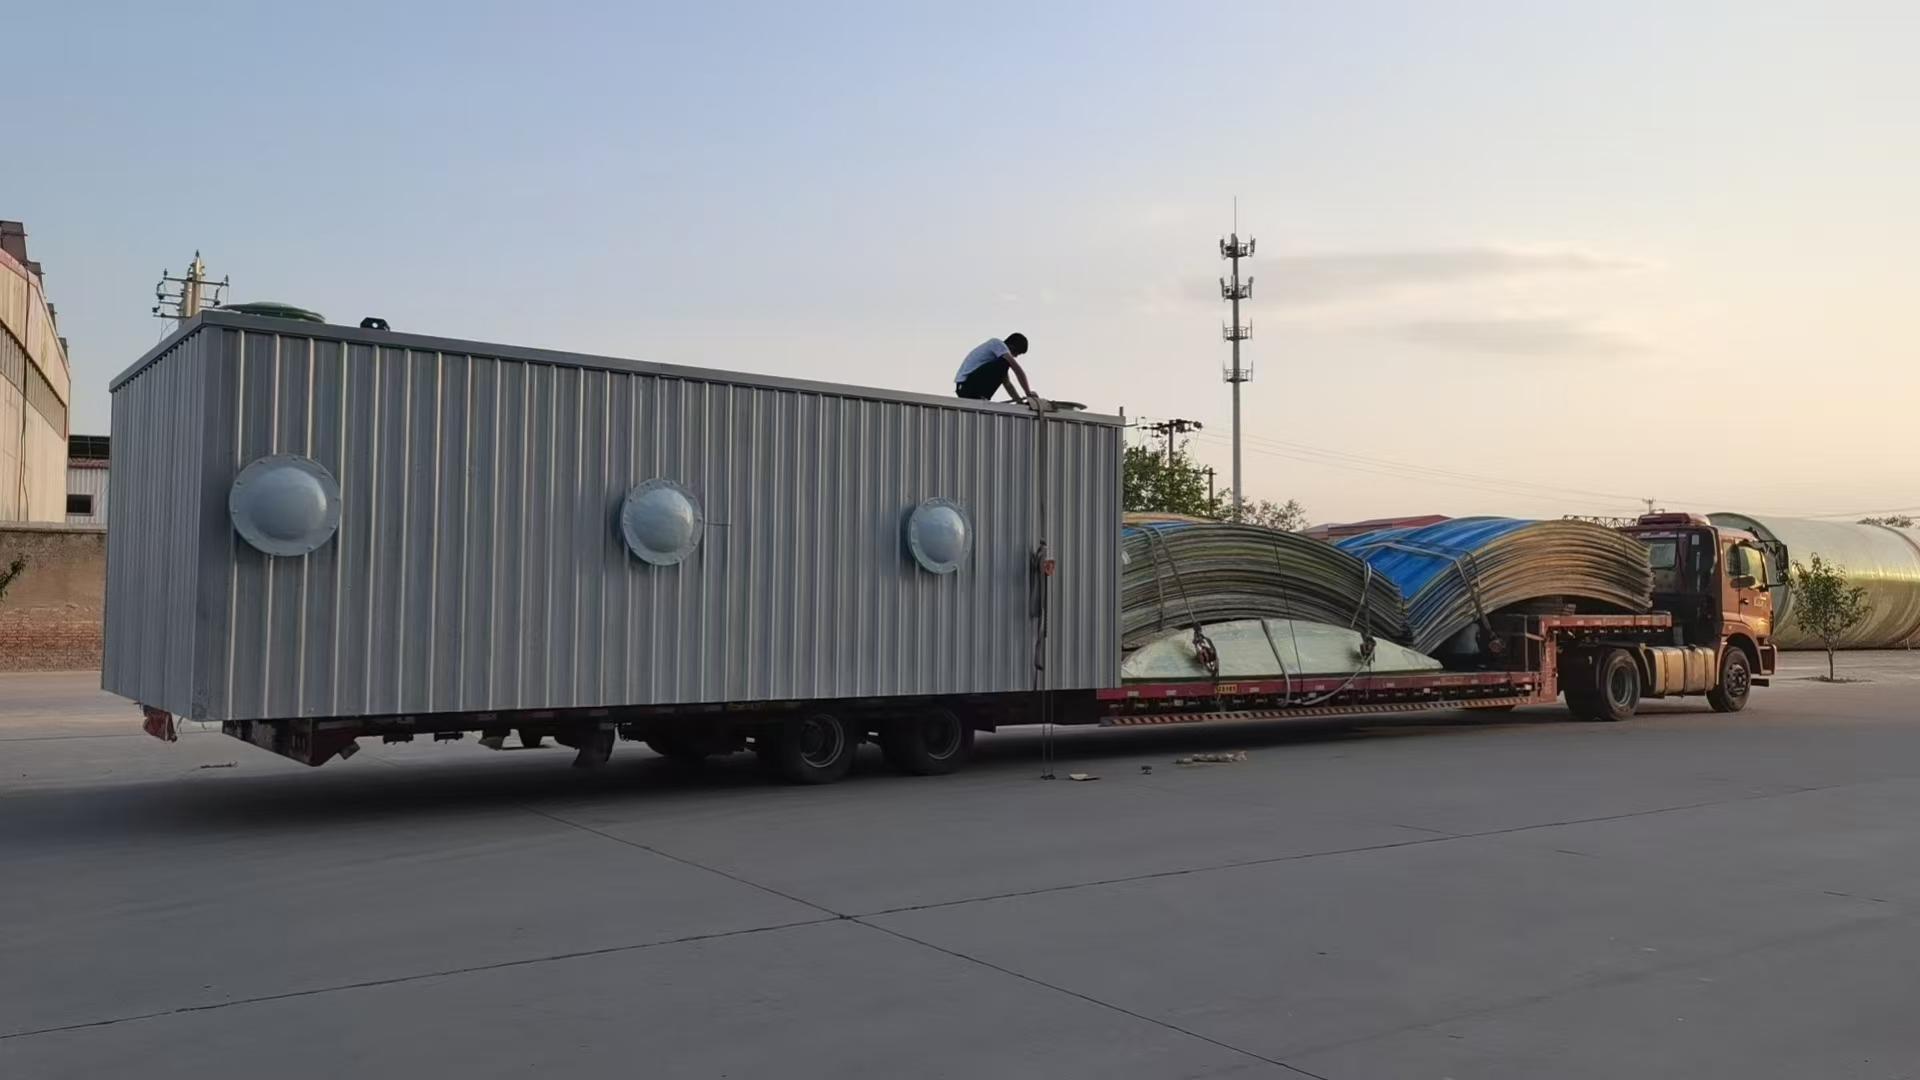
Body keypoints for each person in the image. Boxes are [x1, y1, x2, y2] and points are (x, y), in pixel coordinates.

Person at [953, 332, 1035, 402]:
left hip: (966, 388)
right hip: (966, 385)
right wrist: (1028, 393)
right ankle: (981, 395)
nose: (1015, 356)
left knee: (1003, 368)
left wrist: (1019, 401)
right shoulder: (997, 344)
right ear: (1011, 347)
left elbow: (1007, 383)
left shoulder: (997, 361)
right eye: (1016, 353)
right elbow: (1017, 369)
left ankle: (981, 396)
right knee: (1005, 362)